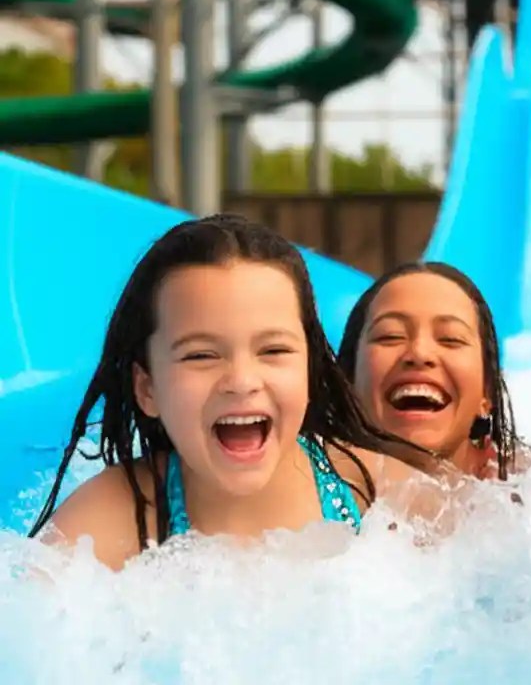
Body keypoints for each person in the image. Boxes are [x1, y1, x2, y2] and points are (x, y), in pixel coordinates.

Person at [28, 215, 457, 571]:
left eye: (273, 350)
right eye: (201, 355)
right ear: (148, 388)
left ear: (309, 369)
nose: (242, 379)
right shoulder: (114, 522)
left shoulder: (387, 502)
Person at [337, 262, 522, 481]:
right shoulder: (308, 488)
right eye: (390, 336)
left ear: (487, 391)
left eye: (451, 339)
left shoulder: (530, 490)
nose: (419, 353)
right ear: (348, 381)